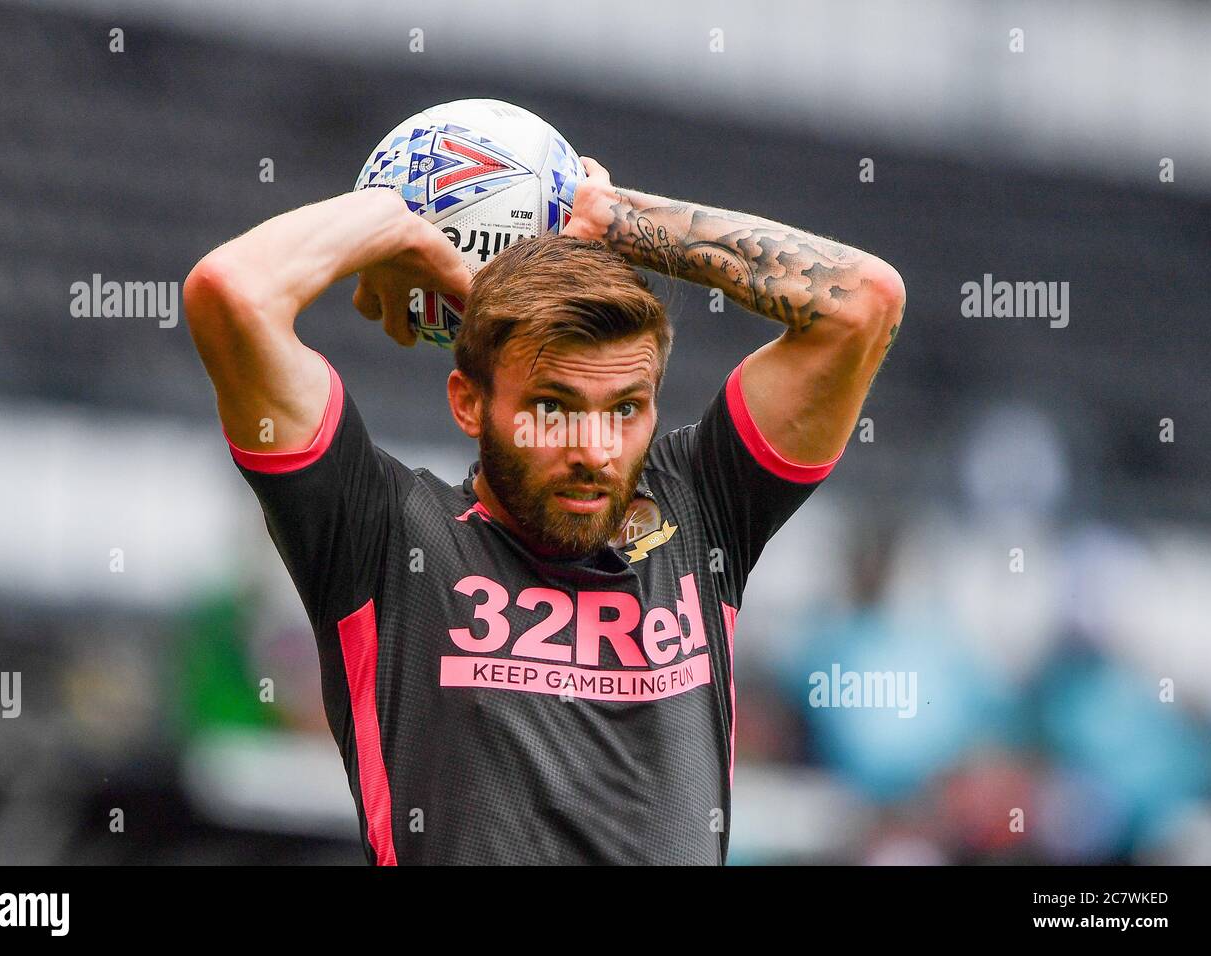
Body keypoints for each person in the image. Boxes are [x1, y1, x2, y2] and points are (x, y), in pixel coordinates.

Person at [184, 156, 905, 864]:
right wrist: (398, 222)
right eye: (552, 408)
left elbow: (864, 302)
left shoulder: (702, 508)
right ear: (469, 403)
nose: (593, 449)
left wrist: (616, 219)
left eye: (625, 409)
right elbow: (231, 291)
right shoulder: (384, 537)